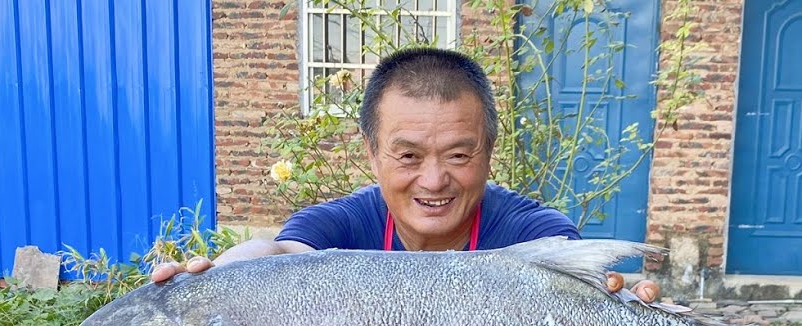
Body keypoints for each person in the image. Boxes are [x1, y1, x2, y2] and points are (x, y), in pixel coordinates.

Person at [152, 47, 659, 302]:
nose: (434, 181)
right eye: (409, 156)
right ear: (373, 155)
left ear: (488, 152)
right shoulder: (341, 228)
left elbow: (573, 288)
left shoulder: (533, 234)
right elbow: (279, 256)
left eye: (459, 156)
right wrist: (223, 278)